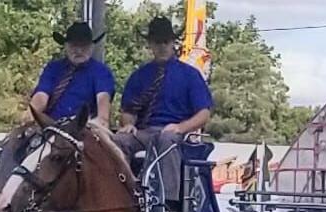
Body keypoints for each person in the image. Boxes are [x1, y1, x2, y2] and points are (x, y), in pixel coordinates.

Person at [114, 16, 213, 201]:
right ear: (150, 44)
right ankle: (121, 195)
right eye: (157, 42)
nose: (161, 47)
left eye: (165, 42)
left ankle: (167, 202)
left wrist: (181, 127)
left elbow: (204, 113)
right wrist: (128, 124)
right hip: (144, 132)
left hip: (175, 133)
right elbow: (128, 111)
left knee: (166, 139)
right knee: (119, 140)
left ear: (173, 43)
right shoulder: (139, 76)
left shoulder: (190, 75)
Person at [30, 21, 115, 126]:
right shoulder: (53, 68)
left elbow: (103, 112)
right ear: (66, 46)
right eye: (74, 46)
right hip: (50, 126)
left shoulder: (101, 72)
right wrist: (31, 114)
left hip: (83, 127)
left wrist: (98, 122)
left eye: (83, 46)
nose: (79, 51)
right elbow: (41, 95)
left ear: (91, 47)